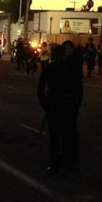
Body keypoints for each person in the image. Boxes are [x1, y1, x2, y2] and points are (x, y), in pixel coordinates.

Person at [37, 40, 83, 173]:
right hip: (68, 105)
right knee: (70, 136)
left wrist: (46, 105)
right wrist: (77, 103)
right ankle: (71, 162)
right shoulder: (71, 69)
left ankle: (55, 163)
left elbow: (40, 91)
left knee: (55, 137)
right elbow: (79, 88)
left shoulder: (49, 69)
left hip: (55, 105)